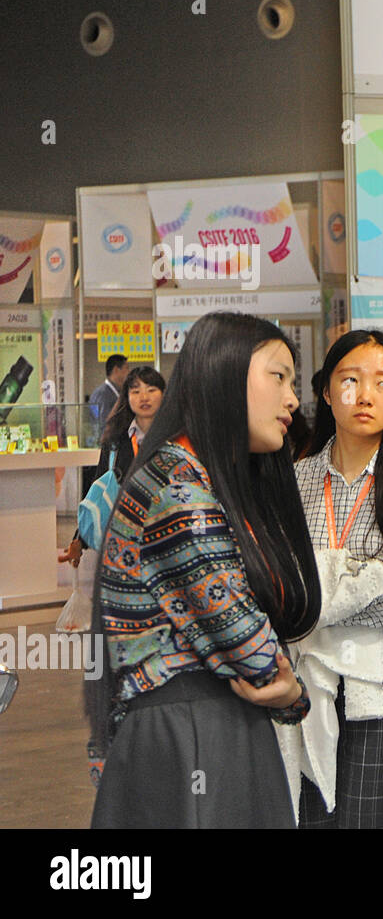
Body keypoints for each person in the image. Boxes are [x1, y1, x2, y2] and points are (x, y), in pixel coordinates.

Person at [86, 312, 321, 828]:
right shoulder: (180, 490)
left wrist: (286, 690)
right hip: (194, 736)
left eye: (293, 382)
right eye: (278, 376)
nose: (290, 399)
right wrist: (292, 690)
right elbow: (254, 652)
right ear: (225, 373)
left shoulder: (190, 474)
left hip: (199, 729)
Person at [289, 329, 383, 828]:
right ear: (327, 391)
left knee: (369, 821)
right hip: (308, 674)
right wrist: (366, 572)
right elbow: (284, 589)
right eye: (350, 380)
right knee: (310, 817)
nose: (366, 395)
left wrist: (320, 581)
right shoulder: (297, 478)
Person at [59, 366, 166, 569]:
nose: (144, 396)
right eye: (136, 391)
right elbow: (98, 488)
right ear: (127, 397)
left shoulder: (175, 438)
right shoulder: (116, 441)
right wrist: (79, 540)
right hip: (123, 542)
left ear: (163, 395)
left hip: (165, 541)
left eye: (151, 389)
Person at [87, 354, 128, 446]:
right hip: (106, 444)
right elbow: (103, 423)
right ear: (116, 370)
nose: (128, 373)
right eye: (126, 368)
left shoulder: (116, 391)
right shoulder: (103, 394)